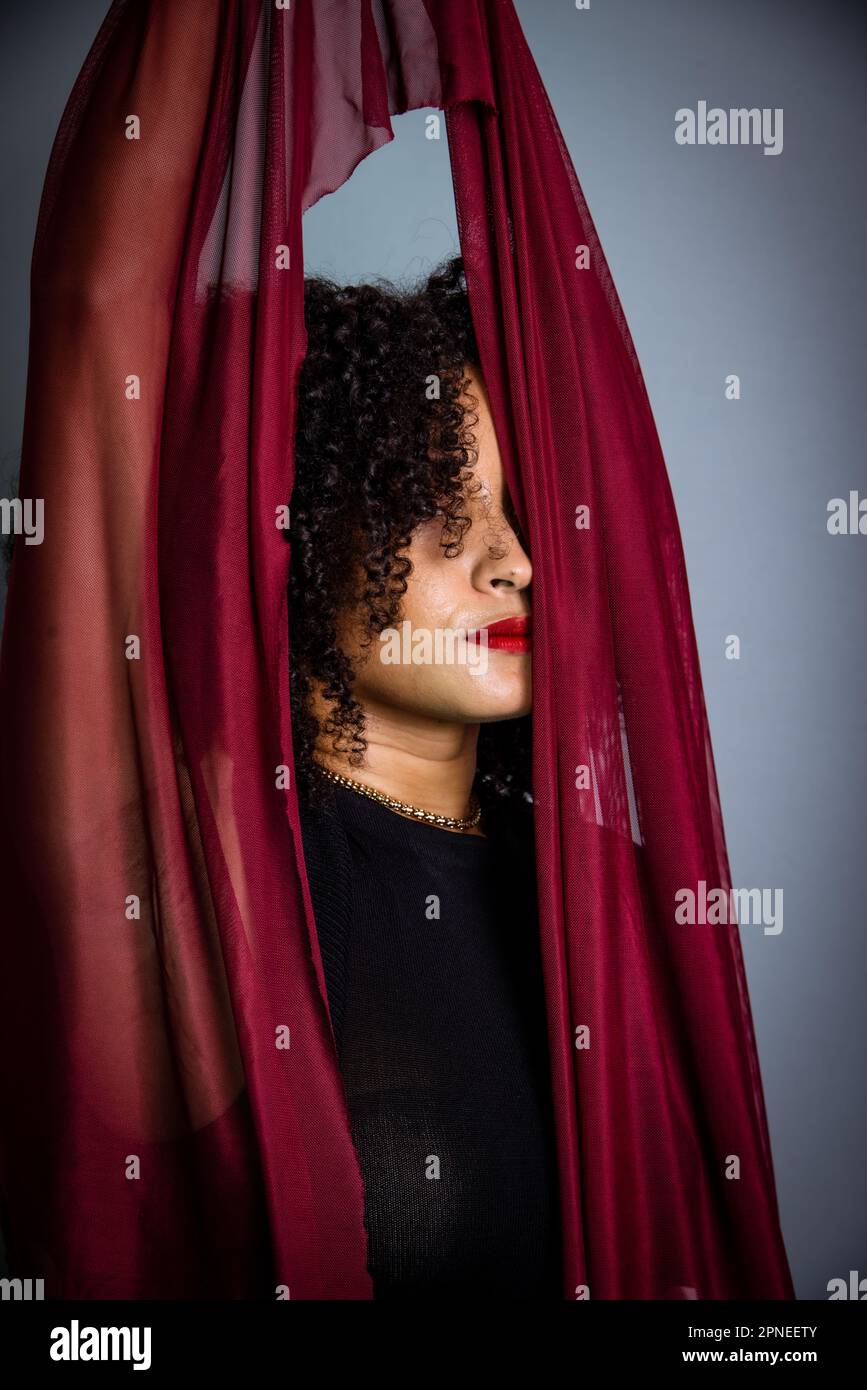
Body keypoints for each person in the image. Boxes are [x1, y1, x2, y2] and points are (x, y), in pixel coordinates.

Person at [288, 255, 562, 1297]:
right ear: (306, 532)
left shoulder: (596, 884)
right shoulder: (239, 885)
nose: (511, 561)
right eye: (438, 503)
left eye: (516, 503)